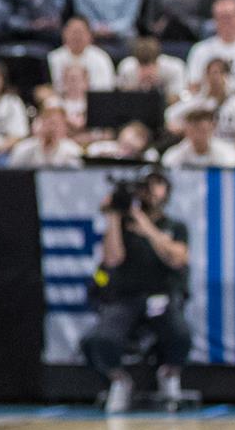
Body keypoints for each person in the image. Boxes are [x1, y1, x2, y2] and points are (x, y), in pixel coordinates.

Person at [81, 170, 190, 413]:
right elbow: (112, 260)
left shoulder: (174, 226)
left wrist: (146, 226)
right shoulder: (122, 225)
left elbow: (177, 259)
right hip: (126, 298)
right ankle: (119, 381)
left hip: (161, 296)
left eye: (156, 185)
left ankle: (170, 376)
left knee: (180, 334)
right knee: (98, 339)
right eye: (145, 186)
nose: (149, 192)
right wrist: (113, 217)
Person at [8, 100, 82, 167]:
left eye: (56, 124)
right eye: (48, 122)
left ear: (64, 127)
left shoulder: (72, 151)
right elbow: (13, 176)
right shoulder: (23, 149)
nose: (52, 128)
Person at [161, 105, 235, 167]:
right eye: (194, 128)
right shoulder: (174, 156)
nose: (198, 134)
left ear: (212, 127)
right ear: (186, 130)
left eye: (202, 130)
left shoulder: (227, 153)